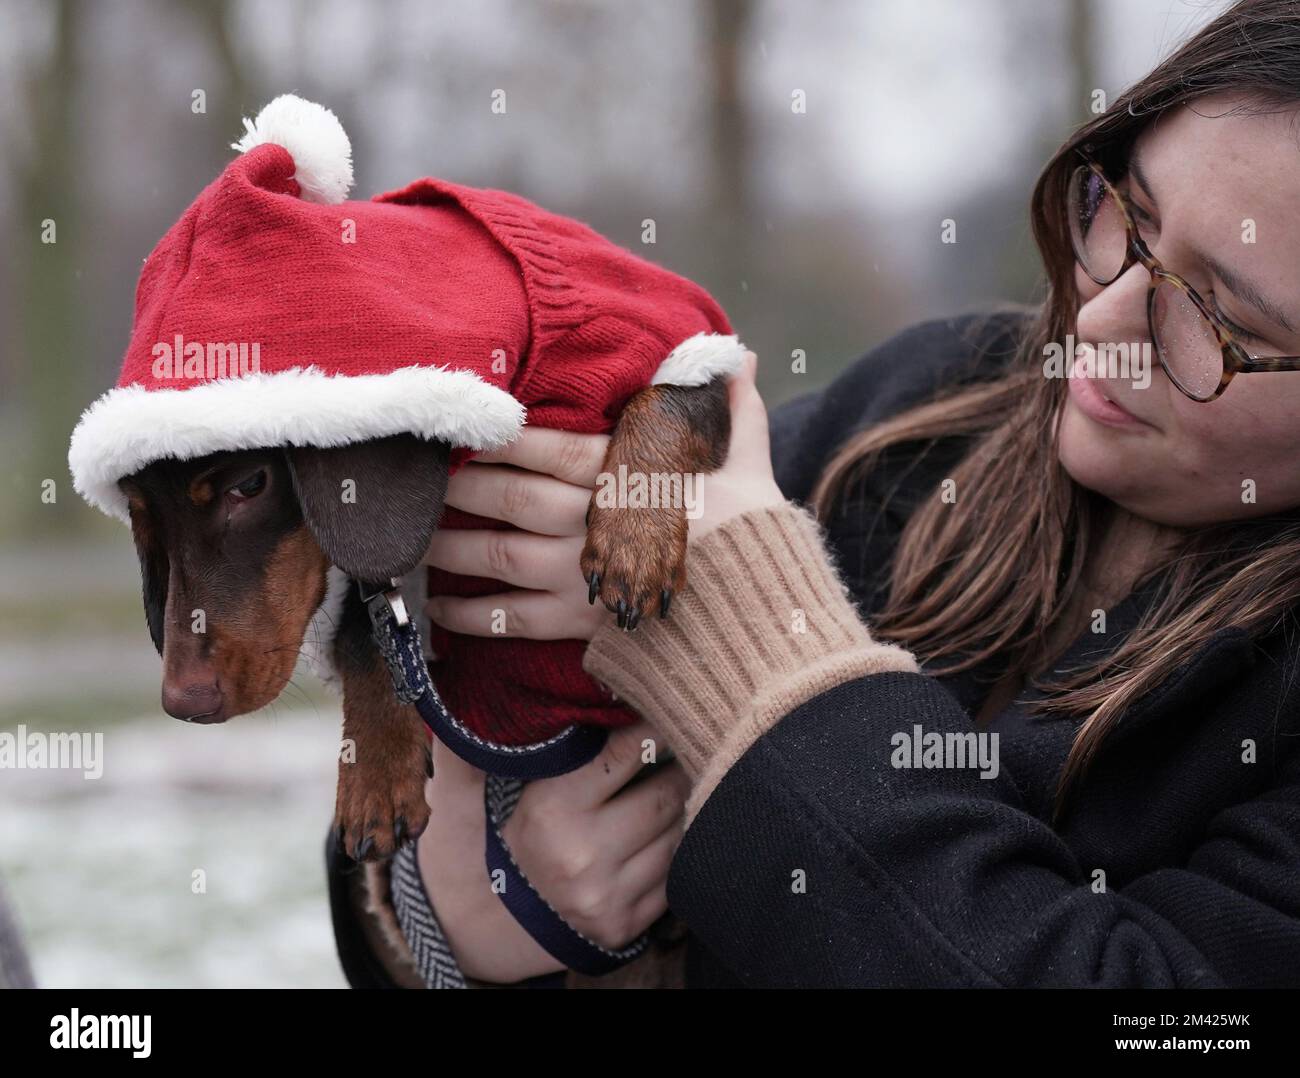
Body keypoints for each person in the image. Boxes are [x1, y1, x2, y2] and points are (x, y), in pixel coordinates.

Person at [326, 0, 1300, 988]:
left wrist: (751, 640)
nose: (1102, 318)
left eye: (1222, 316)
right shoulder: (927, 404)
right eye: (1127, 213)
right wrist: (451, 906)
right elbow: (445, 770)